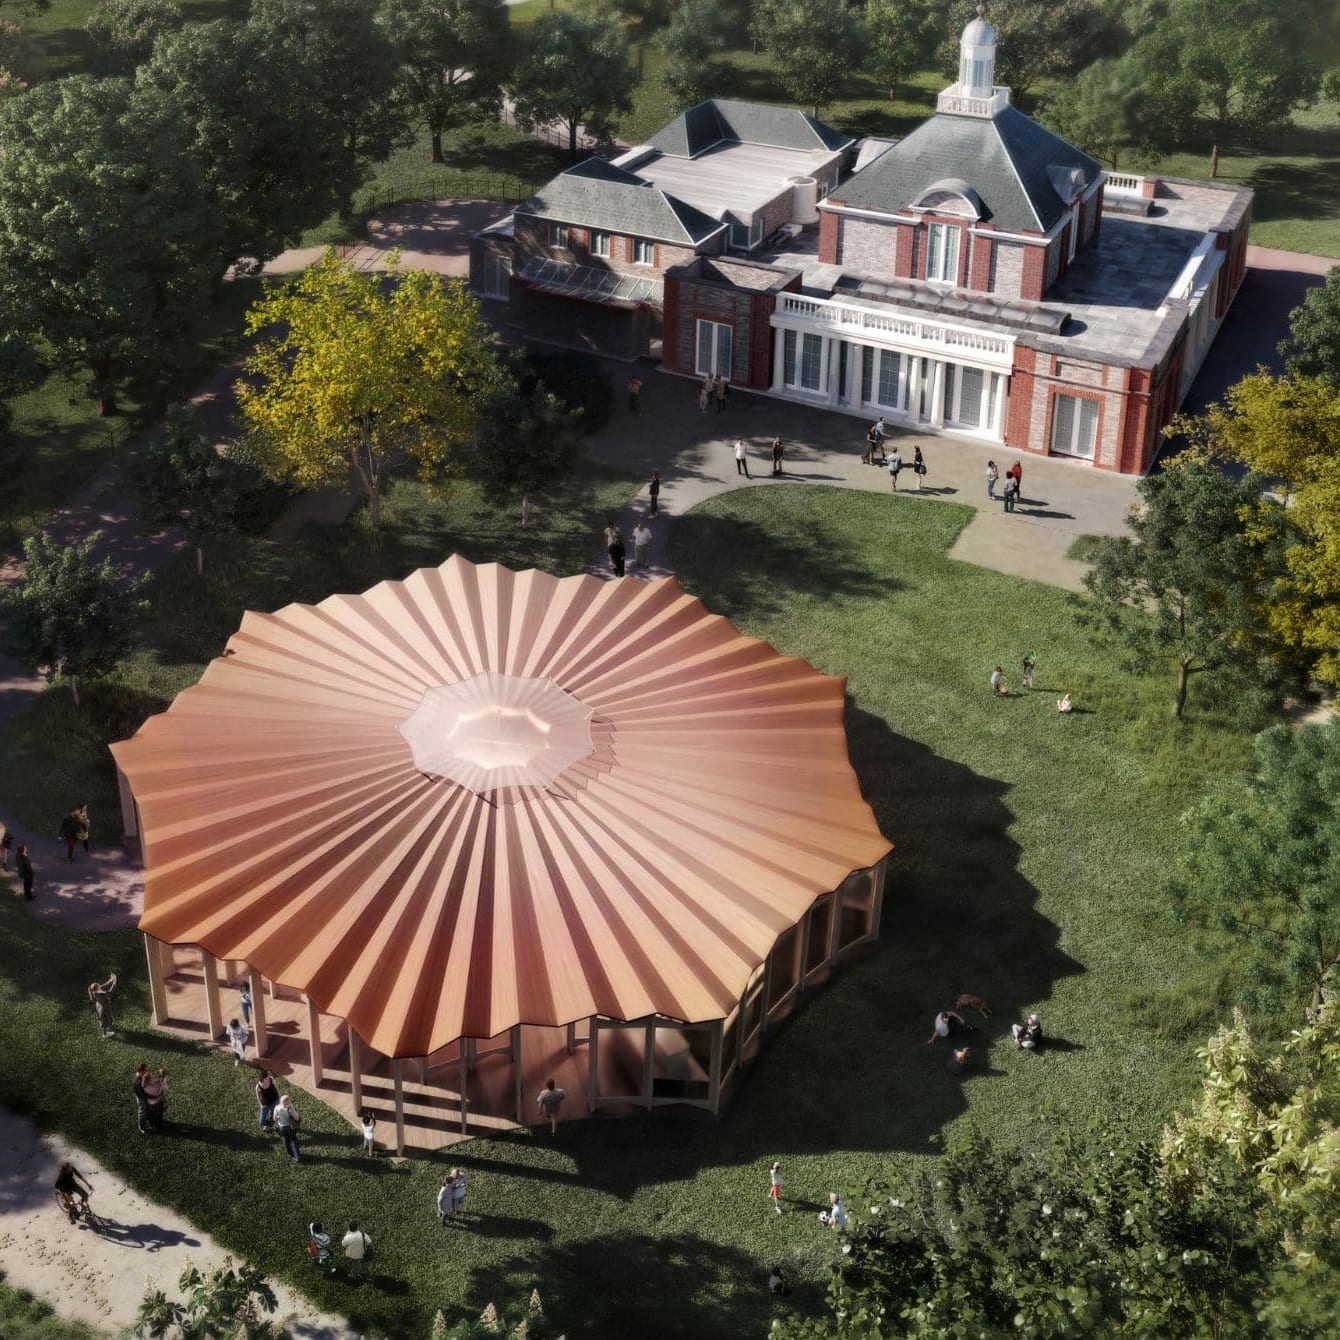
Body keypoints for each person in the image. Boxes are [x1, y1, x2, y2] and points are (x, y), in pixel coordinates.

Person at [87, 972, 117, 1038]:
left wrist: (111, 980)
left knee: (108, 1018)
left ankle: (109, 1026)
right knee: (104, 1022)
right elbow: (111, 991)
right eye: (98, 984)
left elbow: (105, 985)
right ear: (97, 988)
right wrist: (114, 982)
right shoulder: (101, 995)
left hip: (103, 1006)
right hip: (103, 1009)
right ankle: (104, 1034)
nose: (99, 984)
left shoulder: (96, 991)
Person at [275, 1094, 301, 1162]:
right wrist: (294, 1109)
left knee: (285, 1140)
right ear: (288, 1102)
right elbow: (297, 1118)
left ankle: (289, 1152)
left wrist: (279, 1117)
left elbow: (274, 1118)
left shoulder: (277, 1108)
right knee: (293, 1141)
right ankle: (297, 1156)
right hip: (290, 1127)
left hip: (282, 1127)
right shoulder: (290, 1109)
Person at [131, 1063, 151, 1135]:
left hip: (141, 1095)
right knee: (142, 1112)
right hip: (141, 1098)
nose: (147, 1071)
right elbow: (143, 1095)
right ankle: (142, 1128)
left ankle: (149, 1118)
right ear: (141, 1071)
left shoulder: (139, 1075)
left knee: (147, 1109)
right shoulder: (138, 1082)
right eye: (145, 1070)